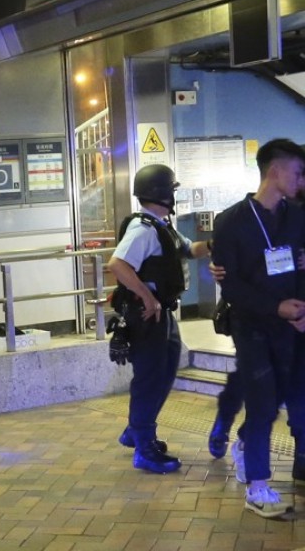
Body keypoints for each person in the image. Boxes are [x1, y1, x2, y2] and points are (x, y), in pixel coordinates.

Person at [211, 139, 305, 517]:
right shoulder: (231, 221)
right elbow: (229, 284)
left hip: (290, 325)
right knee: (263, 400)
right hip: (251, 325)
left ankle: (247, 444)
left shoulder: (296, 216)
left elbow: (298, 265)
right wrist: (275, 306)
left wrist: (298, 310)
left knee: (277, 395)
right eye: (297, 172)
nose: (301, 180)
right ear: (275, 171)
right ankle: (259, 486)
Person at [107, 164, 210, 476]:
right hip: (146, 315)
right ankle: (144, 448)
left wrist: (217, 244)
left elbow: (189, 249)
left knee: (165, 371)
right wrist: (147, 297)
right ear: (162, 193)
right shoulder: (143, 230)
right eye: (172, 189)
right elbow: (118, 264)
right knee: (151, 378)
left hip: (162, 313)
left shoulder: (161, 226)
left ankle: (136, 431)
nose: (174, 194)